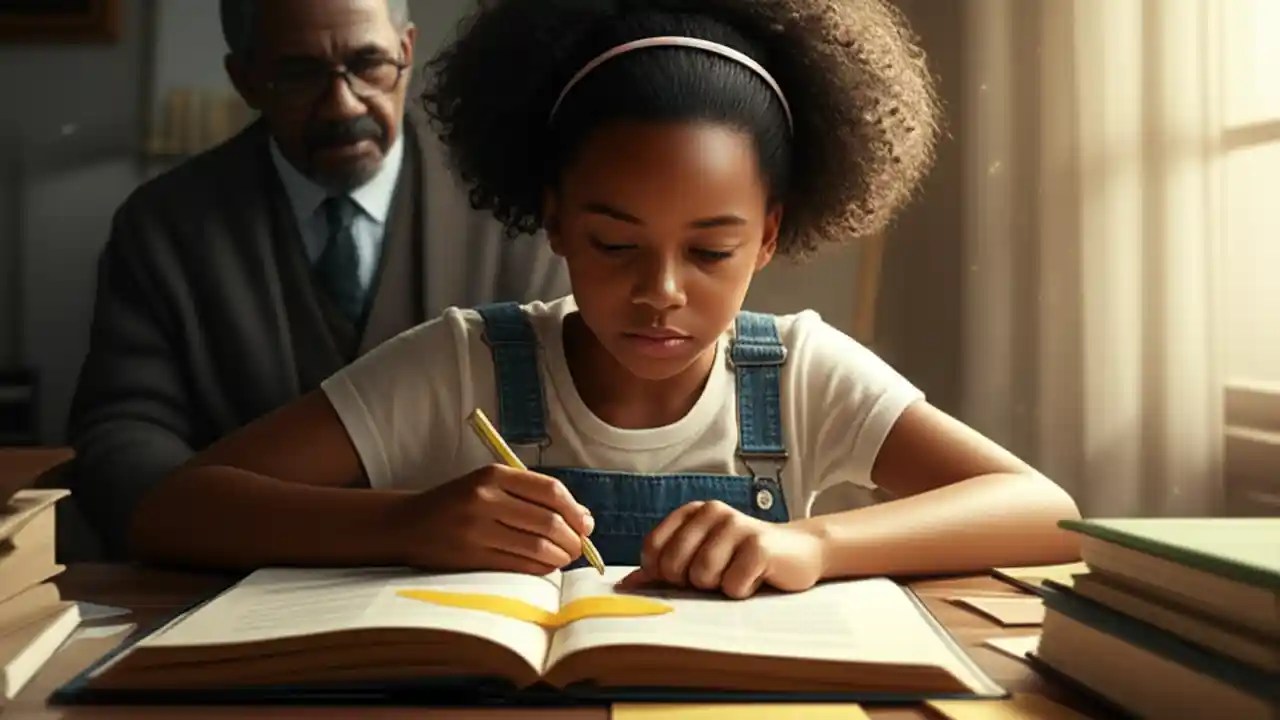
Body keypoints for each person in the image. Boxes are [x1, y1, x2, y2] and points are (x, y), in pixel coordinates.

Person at [130, 0, 1082, 598]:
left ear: (774, 233)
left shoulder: (797, 371)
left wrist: (817, 544)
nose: (660, 294)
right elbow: (176, 510)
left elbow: (1043, 509)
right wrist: (407, 524)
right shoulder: (463, 362)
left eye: (712, 250)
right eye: (615, 243)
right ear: (551, 220)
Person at [64, 0, 569, 560]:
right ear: (247, 80)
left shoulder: (512, 210)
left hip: (478, 593)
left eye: (369, 64)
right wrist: (386, 526)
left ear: (406, 51)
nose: (342, 104)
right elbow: (123, 443)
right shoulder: (164, 227)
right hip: (232, 587)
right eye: (299, 74)